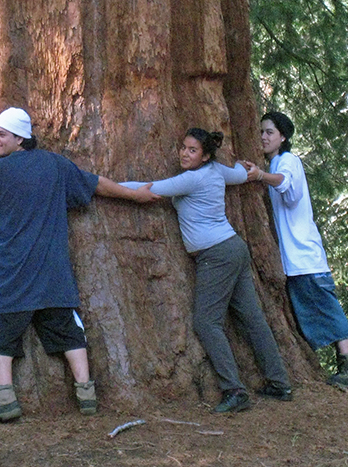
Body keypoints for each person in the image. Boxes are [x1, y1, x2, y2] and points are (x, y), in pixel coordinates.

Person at [0, 108, 158, 425]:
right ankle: (86, 391)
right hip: (52, 272)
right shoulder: (55, 165)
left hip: (8, 275)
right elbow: (95, 185)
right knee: (68, 328)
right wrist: (133, 195)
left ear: (20, 138)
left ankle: (5, 397)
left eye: (1, 134)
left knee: (1, 333)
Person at [120, 128, 292, 414]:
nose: (184, 154)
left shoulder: (193, 178)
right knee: (252, 318)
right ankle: (279, 382)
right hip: (233, 248)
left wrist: (105, 184)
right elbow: (240, 174)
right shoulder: (217, 171)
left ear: (205, 155)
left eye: (192, 150)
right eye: (183, 147)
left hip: (217, 254)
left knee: (206, 322)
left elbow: (149, 188)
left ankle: (235, 390)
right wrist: (248, 169)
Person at [243, 112, 348, 387]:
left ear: (283, 137)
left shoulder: (289, 161)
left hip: (306, 257)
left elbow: (288, 186)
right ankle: (343, 365)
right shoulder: (276, 163)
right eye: (261, 131)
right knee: (307, 313)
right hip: (294, 260)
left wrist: (261, 175)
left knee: (327, 308)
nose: (263, 136)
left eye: (270, 132)